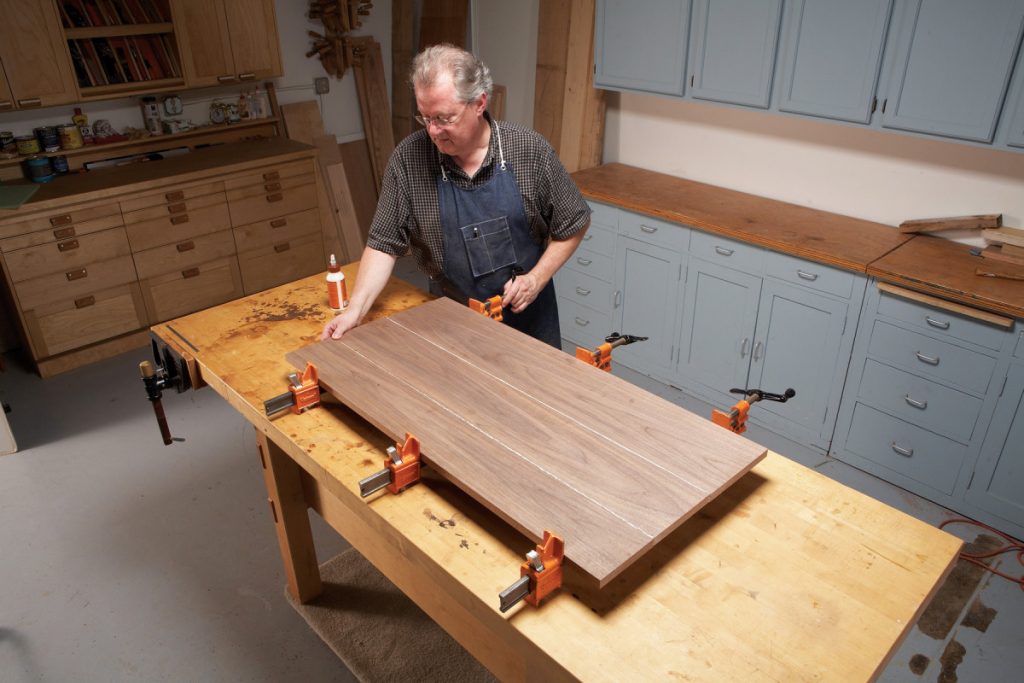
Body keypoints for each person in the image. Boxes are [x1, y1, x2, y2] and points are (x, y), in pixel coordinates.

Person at [321, 44, 590, 348]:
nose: (433, 131)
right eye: (425, 117)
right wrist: (355, 310)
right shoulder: (409, 160)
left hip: (529, 322)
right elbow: (383, 243)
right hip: (453, 321)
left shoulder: (529, 151)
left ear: (479, 103)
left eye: (444, 118)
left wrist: (536, 279)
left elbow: (574, 223)